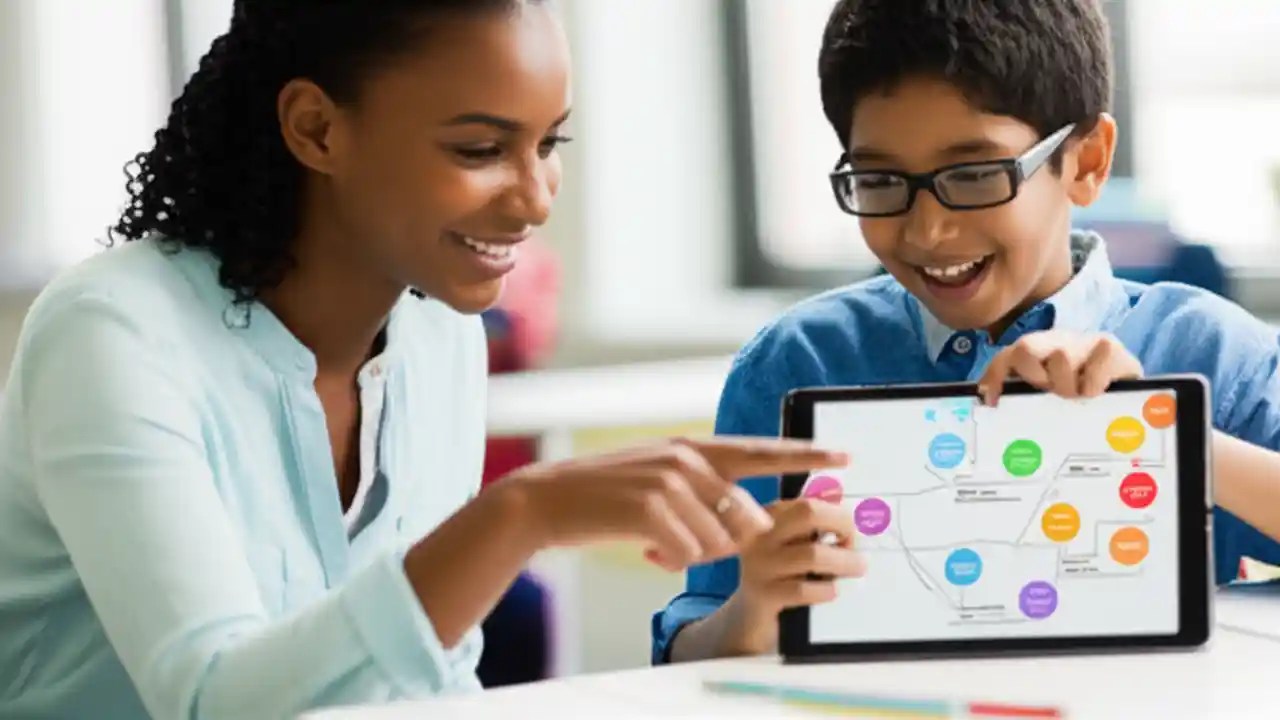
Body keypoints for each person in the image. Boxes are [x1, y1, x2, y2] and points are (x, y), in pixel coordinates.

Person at [0, 2, 848, 718]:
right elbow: (215, 701)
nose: (534, 198)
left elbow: (429, 685)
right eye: (480, 150)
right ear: (316, 128)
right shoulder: (114, 332)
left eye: (549, 144)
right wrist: (521, 516)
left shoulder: (439, 336)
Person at [652, 0, 1280, 664]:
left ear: (1088, 161)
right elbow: (696, 638)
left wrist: (1165, 432)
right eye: (879, 180)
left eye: (976, 175)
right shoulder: (798, 362)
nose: (927, 231)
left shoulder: (1212, 353)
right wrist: (751, 613)